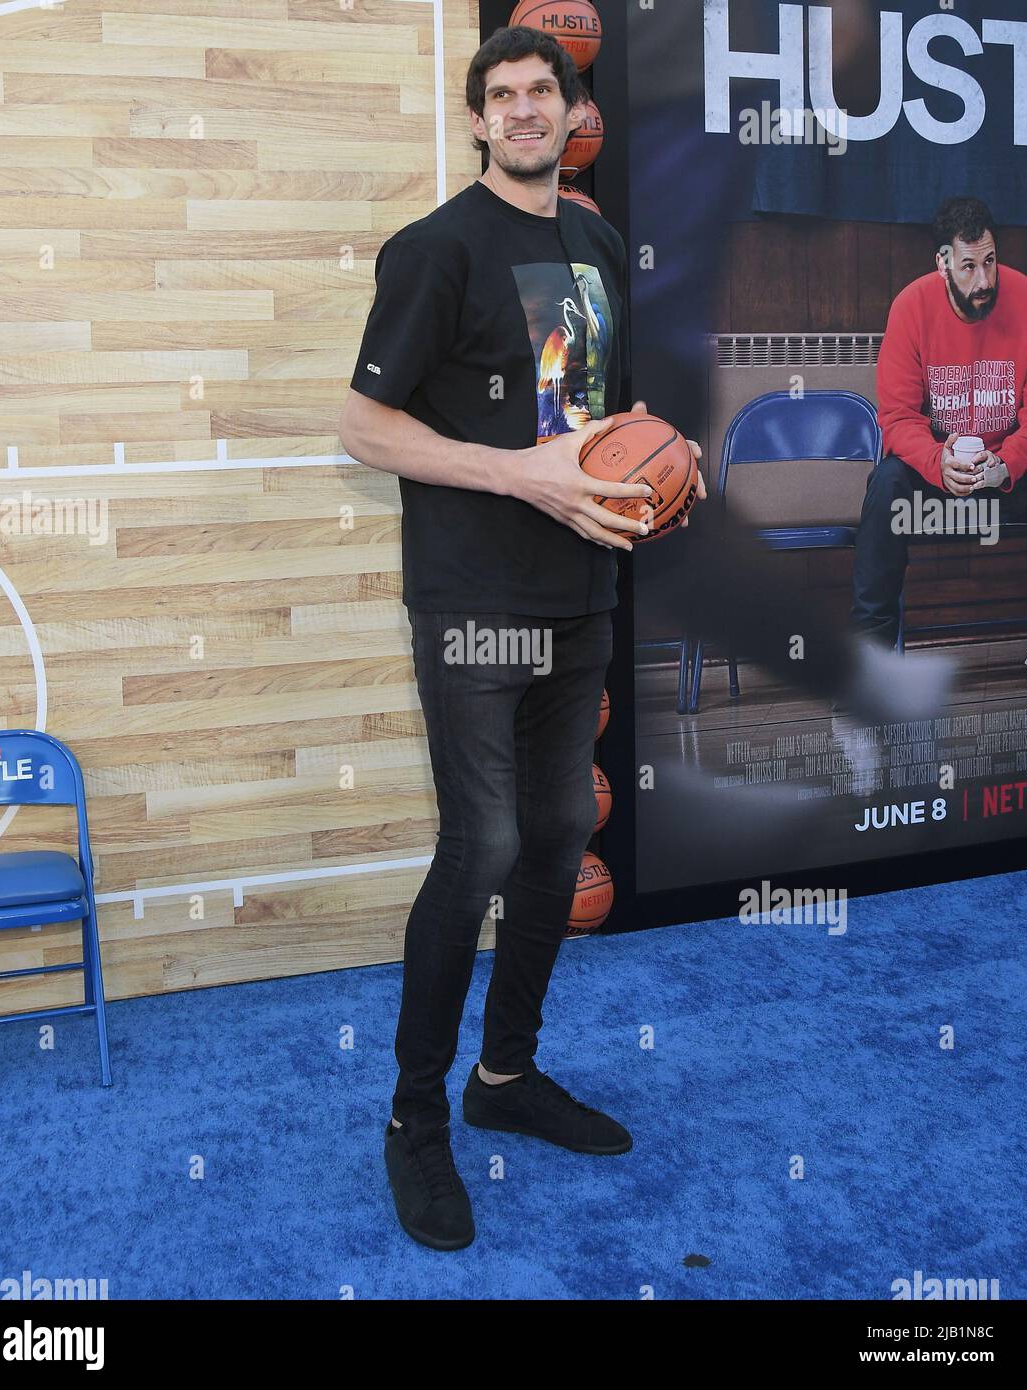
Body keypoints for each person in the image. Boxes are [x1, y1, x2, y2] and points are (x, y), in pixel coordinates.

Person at [339, 24, 707, 1252]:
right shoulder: (434, 249)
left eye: (540, 90)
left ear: (569, 106)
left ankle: (504, 1079)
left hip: (579, 588)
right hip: (473, 598)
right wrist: (518, 477)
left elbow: (598, 417)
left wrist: (667, 458)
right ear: (478, 122)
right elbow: (364, 428)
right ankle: (413, 1124)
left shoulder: (595, 240)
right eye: (500, 97)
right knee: (483, 839)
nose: (524, 110)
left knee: (556, 835)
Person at [850, 196, 1027, 684]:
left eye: (991, 261)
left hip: (1004, 478)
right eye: (968, 266)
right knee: (886, 485)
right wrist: (938, 463)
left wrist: (1007, 464)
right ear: (942, 264)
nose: (984, 281)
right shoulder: (912, 306)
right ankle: (871, 663)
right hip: (938, 481)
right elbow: (896, 418)